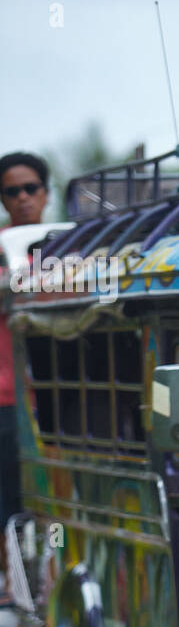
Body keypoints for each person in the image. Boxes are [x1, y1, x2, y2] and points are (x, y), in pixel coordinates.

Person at [0, 152, 51, 600]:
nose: (22, 198)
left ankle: (45, 579)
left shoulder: (69, 248)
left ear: (46, 193)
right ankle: (13, 585)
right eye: (12, 191)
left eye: (29, 188)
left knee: (52, 495)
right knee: (8, 497)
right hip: (5, 399)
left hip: (53, 399)